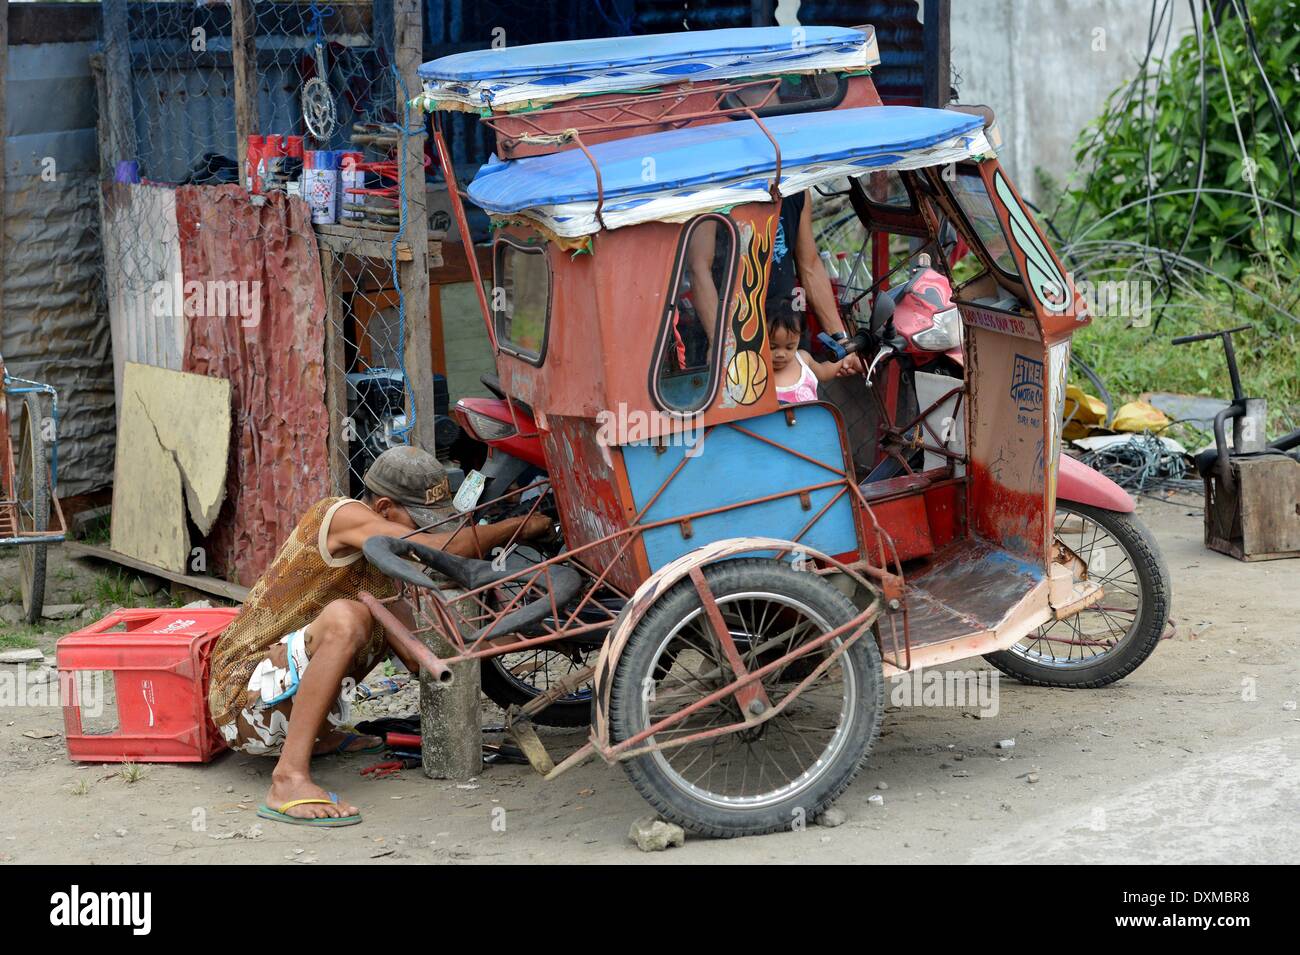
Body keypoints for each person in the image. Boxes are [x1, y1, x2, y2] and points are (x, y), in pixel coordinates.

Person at [207, 445, 550, 827]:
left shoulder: (385, 568)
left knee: (372, 612)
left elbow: (425, 658)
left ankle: (321, 736)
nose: (427, 532)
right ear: (384, 509)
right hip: (239, 701)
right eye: (418, 522)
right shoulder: (338, 514)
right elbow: (445, 549)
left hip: (275, 712)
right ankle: (288, 779)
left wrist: (535, 632)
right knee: (346, 617)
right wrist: (526, 525)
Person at [686, 191, 863, 374]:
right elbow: (698, 266)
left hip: (786, 332)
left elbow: (809, 265)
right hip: (729, 332)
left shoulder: (796, 186)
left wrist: (841, 341)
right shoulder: (716, 183)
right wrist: (719, 340)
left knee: (796, 398)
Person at [769, 300, 842, 404]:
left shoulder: (802, 359)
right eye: (772, 347)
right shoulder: (754, 370)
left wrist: (842, 356)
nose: (781, 354)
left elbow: (824, 372)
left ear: (799, 338)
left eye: (789, 347)